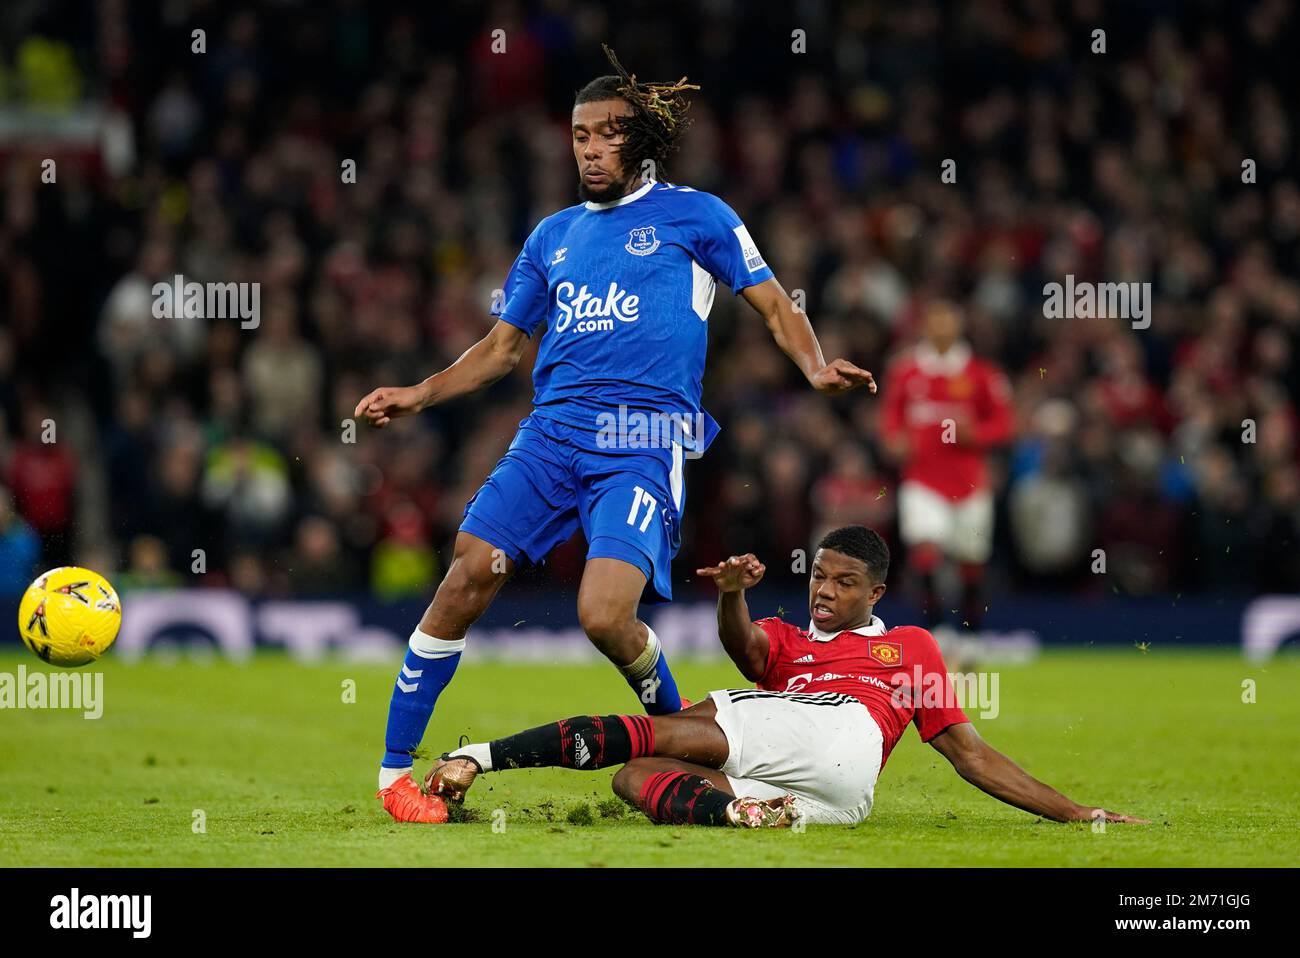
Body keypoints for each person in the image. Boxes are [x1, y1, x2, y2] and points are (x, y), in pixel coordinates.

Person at [355, 47, 876, 822]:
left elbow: (773, 303)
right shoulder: (553, 236)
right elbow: (502, 349)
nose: (589, 147)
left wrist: (813, 365)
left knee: (603, 615)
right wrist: (417, 394)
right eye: (578, 135)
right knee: (466, 575)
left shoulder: (697, 215)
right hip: (550, 436)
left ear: (641, 144)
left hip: (641, 440)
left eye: (605, 135)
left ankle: (671, 723)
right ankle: (395, 776)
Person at [418, 526, 1147, 828]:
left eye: (844, 583)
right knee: (636, 777)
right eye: (819, 577)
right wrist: (733, 592)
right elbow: (749, 648)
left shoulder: (911, 646)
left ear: (876, 596)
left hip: (839, 727)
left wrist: (1076, 811)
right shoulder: (793, 643)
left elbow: (971, 754)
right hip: (837, 797)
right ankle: (738, 816)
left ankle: (475, 758)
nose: (824, 591)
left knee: (669, 729)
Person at [880, 299, 1013, 655]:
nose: (941, 326)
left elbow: (1004, 424)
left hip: (969, 482)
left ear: (958, 323)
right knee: (925, 548)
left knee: (971, 559)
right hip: (922, 479)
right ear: (925, 324)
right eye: (935, 318)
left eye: (947, 318)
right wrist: (893, 439)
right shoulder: (906, 372)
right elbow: (890, 418)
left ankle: (971, 634)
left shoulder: (981, 373)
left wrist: (978, 435)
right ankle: (937, 628)